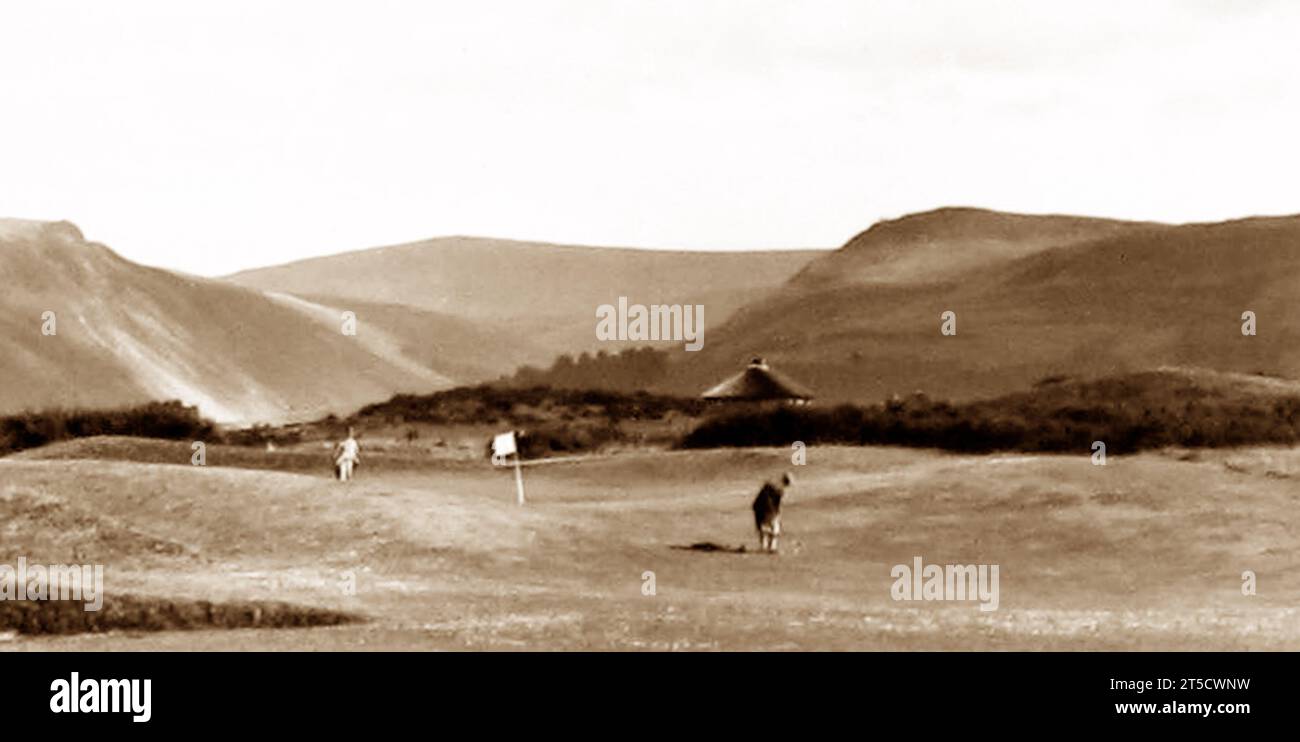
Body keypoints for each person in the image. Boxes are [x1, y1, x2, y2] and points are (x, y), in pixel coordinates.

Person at [752, 471, 793, 553]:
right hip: (766, 509)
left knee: (765, 527)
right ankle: (771, 547)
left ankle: (765, 547)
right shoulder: (779, 489)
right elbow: (775, 503)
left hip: (760, 507)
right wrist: (777, 513)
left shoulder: (771, 485)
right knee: (773, 528)